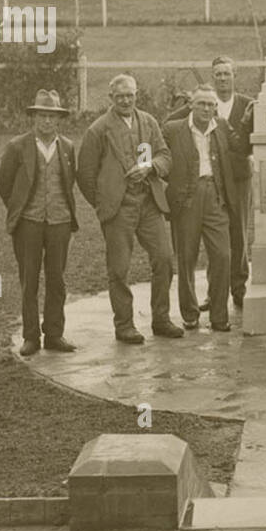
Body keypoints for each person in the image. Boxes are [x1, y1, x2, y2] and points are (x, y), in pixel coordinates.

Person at [76, 74, 182, 344]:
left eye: (130, 95)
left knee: (164, 259)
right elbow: (85, 175)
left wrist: (150, 167)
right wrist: (106, 202)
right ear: (111, 98)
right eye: (120, 96)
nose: (125, 100)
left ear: (137, 95)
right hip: (119, 209)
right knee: (119, 269)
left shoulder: (148, 122)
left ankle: (161, 319)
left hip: (149, 204)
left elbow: (165, 156)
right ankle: (124, 326)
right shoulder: (98, 130)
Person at [0, 89, 79, 356]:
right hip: (28, 223)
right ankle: (31, 336)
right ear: (34, 118)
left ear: (58, 120)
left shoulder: (67, 147)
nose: (47, 122)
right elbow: (3, 183)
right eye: (42, 116)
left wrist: (61, 211)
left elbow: (69, 182)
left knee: (57, 280)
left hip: (60, 221)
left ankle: (54, 334)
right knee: (29, 279)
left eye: (52, 117)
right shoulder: (17, 146)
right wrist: (20, 209)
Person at [167, 56, 254, 310]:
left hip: (238, 179)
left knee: (236, 234)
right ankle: (213, 295)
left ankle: (238, 288)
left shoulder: (247, 105)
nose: (223, 78)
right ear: (212, 77)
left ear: (234, 75)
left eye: (227, 74)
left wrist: (248, 123)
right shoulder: (203, 103)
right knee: (209, 240)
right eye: (218, 74)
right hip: (209, 180)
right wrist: (190, 107)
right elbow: (178, 120)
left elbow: (246, 143)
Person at [162, 85, 234, 332]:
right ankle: (190, 314)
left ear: (216, 107)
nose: (206, 108)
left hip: (215, 196)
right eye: (201, 103)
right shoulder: (174, 129)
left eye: (210, 104)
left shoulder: (222, 127)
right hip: (186, 200)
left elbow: (240, 145)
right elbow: (154, 149)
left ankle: (219, 316)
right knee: (186, 258)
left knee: (223, 255)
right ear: (191, 105)